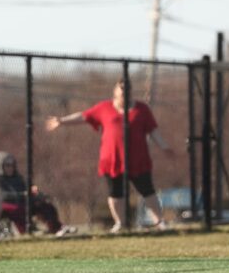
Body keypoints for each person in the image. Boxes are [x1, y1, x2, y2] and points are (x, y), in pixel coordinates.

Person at [45, 79, 172, 232]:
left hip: (137, 160)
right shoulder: (104, 108)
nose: (125, 92)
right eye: (121, 89)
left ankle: (159, 222)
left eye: (127, 89)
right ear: (115, 92)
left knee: (147, 191)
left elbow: (153, 130)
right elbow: (83, 116)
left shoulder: (142, 109)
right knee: (115, 193)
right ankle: (120, 223)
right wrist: (61, 121)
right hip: (112, 160)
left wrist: (164, 146)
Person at [0, 152, 74, 237]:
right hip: (8, 204)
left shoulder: (18, 178)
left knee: (46, 206)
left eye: (12, 165)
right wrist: (23, 195)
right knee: (18, 210)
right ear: (1, 166)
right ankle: (27, 231)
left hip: (24, 202)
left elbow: (29, 188)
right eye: (7, 165)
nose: (10, 168)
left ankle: (57, 228)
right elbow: (2, 195)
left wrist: (37, 194)